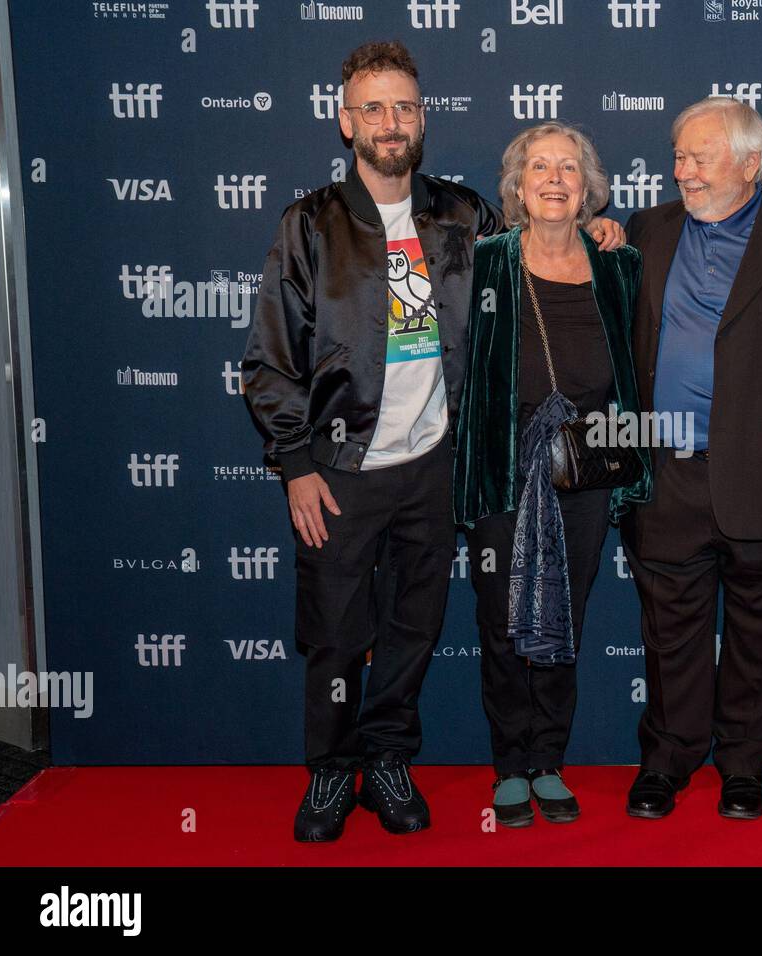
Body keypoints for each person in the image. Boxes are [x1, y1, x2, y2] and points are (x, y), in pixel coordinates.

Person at [241, 41, 622, 843]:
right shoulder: (309, 224)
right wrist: (296, 463)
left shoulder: (461, 214)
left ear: (422, 119)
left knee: (414, 630)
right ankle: (331, 774)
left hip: (439, 468)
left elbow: (536, 252)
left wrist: (599, 232)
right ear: (346, 121)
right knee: (339, 633)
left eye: (404, 107)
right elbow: (270, 360)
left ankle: (387, 760)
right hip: (343, 470)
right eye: (373, 108)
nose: (391, 123)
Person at [620, 97, 762, 820]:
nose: (680, 170)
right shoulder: (646, 231)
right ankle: (668, 760)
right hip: (668, 476)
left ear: (751, 163)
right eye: (678, 156)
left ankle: (745, 765)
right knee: (670, 631)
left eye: (697, 157)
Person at [453, 123, 650, 827]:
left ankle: (548, 761)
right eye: (540, 167)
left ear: (589, 188)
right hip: (505, 465)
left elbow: (635, 369)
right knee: (503, 619)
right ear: (518, 187)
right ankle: (510, 763)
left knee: (564, 615)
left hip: (588, 467)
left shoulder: (618, 265)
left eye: (569, 167)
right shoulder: (484, 261)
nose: (555, 178)